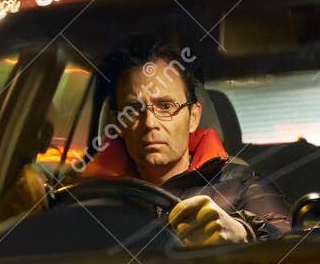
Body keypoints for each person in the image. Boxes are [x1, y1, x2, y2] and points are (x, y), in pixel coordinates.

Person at [85, 45, 290, 246]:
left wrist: (245, 232)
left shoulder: (241, 184)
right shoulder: (93, 197)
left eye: (166, 106)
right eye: (133, 110)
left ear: (193, 117)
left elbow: (286, 244)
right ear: (117, 123)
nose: (149, 123)